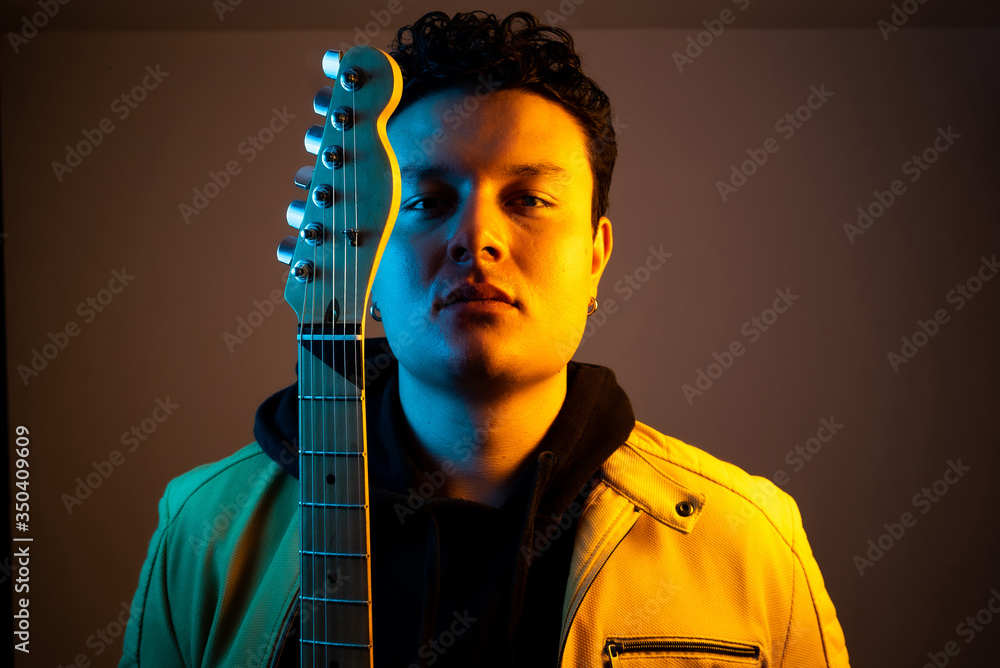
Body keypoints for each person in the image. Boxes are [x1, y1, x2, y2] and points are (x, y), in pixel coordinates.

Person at [120, 10, 850, 667]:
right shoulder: (204, 533)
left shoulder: (748, 542)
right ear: (362, 251)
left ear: (596, 255)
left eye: (529, 199)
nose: (477, 238)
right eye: (429, 201)